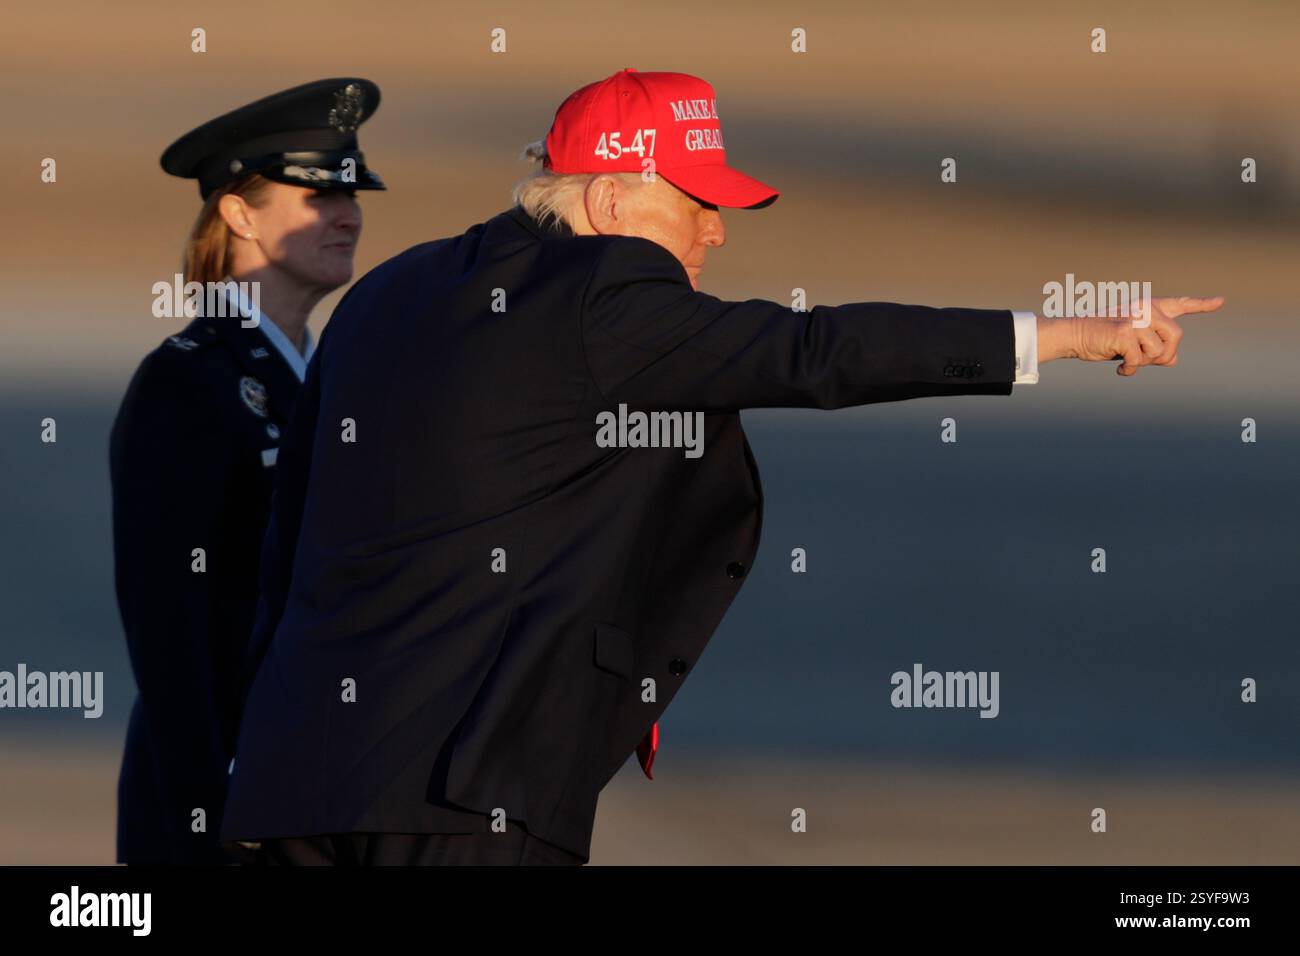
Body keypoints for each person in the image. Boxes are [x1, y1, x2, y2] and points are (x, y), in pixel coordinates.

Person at [220, 68, 1222, 866]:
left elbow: (288, 537)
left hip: (294, 780)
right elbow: (818, 351)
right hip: (462, 795)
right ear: (609, 199)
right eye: (693, 201)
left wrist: (248, 754)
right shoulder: (605, 292)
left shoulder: (391, 292)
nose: (715, 228)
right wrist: (1064, 335)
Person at [110, 78, 385, 864]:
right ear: (238, 213)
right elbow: (166, 623)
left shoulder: (332, 381)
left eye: (355, 195)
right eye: (316, 196)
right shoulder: (185, 381)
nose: (349, 215)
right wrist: (211, 801)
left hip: (316, 781)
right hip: (226, 797)